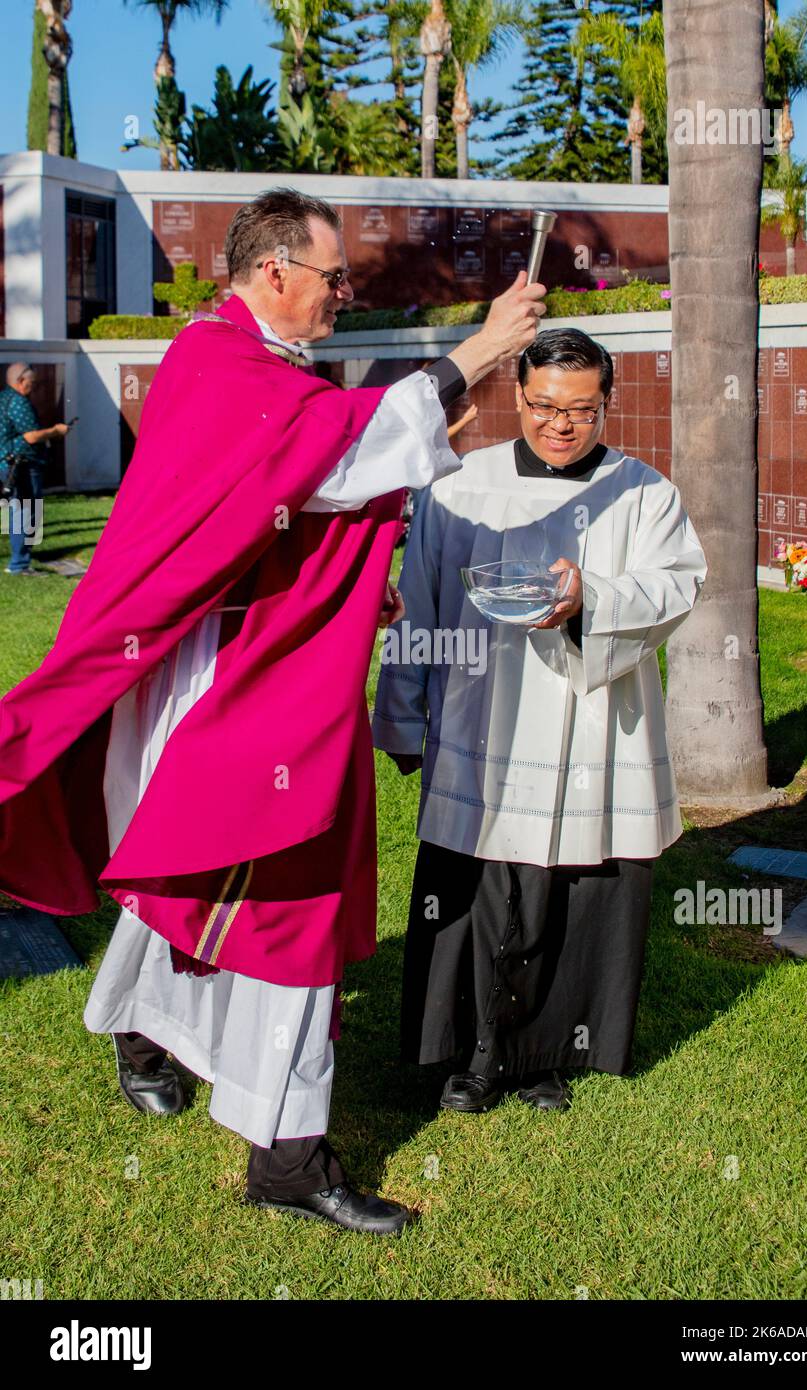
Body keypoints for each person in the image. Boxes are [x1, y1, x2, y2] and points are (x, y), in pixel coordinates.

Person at [0, 188, 547, 1235]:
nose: (342, 295)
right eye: (332, 277)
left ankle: (146, 1031)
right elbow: (320, 459)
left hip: (263, 661)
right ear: (272, 273)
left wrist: (352, 570)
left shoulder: (256, 365)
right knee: (281, 886)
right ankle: (284, 1154)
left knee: (221, 869)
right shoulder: (218, 362)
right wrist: (473, 350)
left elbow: (298, 494)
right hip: (222, 679)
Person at [372, 328, 707, 1114]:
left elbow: (677, 587)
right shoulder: (460, 486)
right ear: (519, 396)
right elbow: (417, 603)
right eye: (545, 406)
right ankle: (466, 1054)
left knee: (572, 888)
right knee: (480, 887)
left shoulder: (644, 491)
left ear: (607, 404)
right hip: (481, 719)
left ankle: (547, 1051)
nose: (562, 424)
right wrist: (401, 714)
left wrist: (593, 598)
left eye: (582, 410)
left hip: (594, 723)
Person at [0, 363, 69, 576]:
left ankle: (21, 557)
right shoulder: (18, 401)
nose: (34, 386)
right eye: (32, 383)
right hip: (22, 465)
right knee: (25, 511)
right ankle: (19, 564)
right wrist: (56, 431)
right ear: (20, 381)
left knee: (19, 510)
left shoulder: (4, 398)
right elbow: (30, 436)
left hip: (9, 462)